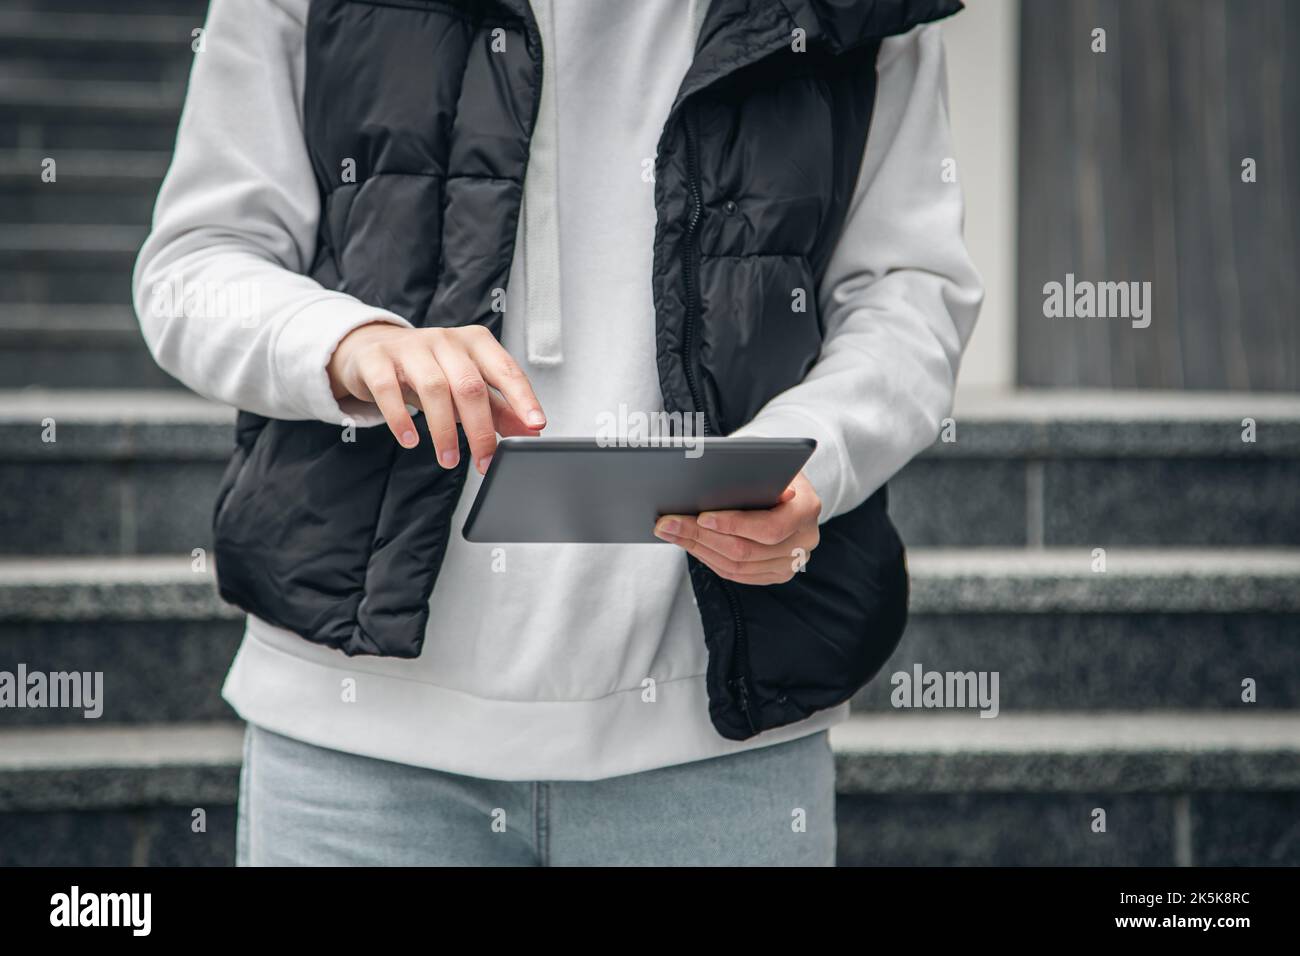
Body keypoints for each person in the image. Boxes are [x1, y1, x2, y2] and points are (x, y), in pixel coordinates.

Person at [134, 0, 981, 866]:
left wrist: (815, 456)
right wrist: (349, 345)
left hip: (719, 749)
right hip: (356, 753)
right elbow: (198, 260)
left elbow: (908, 292)